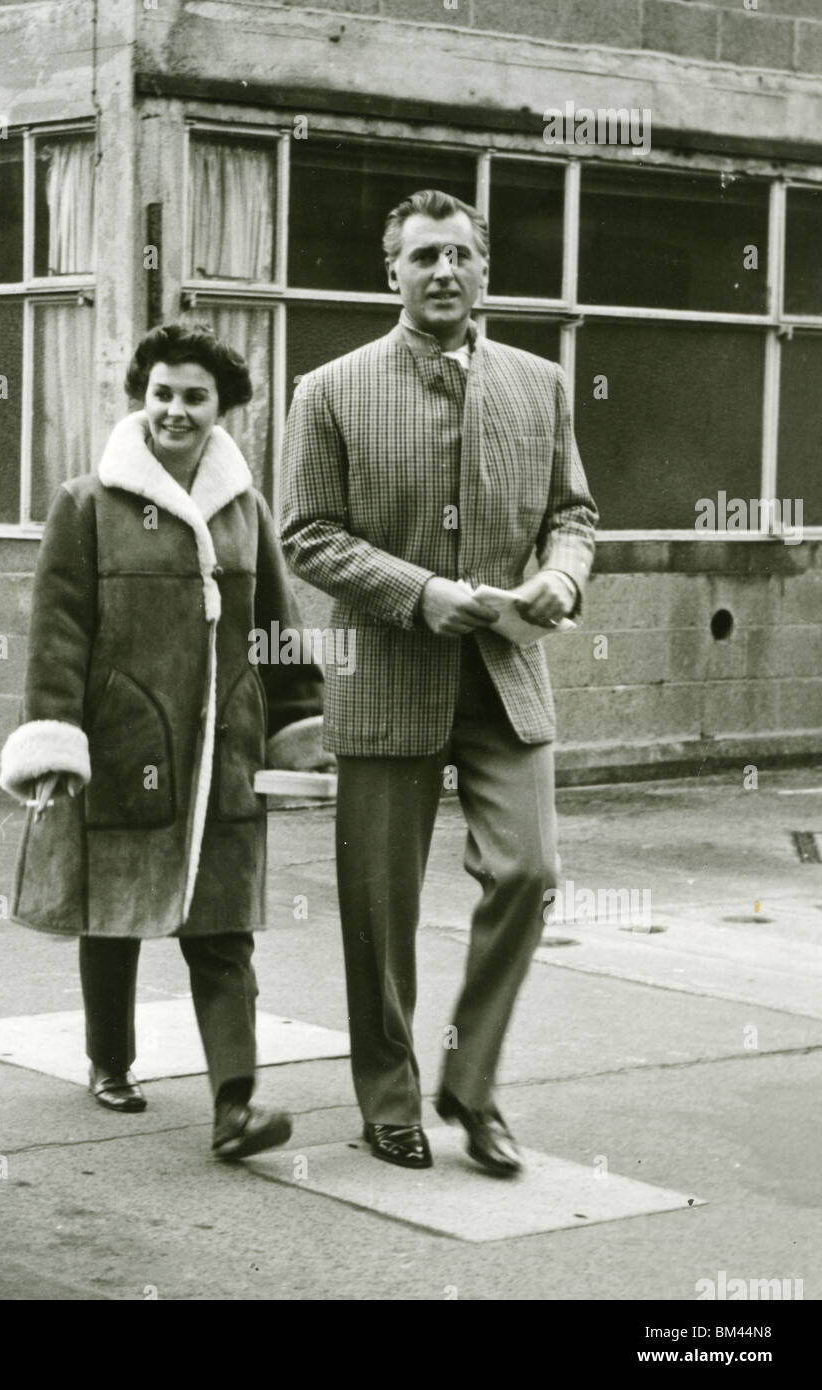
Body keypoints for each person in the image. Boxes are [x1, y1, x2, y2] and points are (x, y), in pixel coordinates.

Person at [281, 189, 597, 1175]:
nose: (443, 273)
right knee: (379, 909)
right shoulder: (327, 390)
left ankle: (469, 1082)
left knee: (527, 872)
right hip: (386, 674)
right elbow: (307, 536)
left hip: (504, 673)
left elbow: (573, 512)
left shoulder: (539, 385)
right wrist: (418, 594)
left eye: (460, 255)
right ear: (391, 273)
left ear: (484, 270)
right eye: (422, 257)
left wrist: (560, 574)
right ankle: (387, 1099)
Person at [0, 321, 322, 1160]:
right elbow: (59, 631)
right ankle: (111, 1060)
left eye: (196, 397)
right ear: (142, 400)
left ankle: (236, 1108)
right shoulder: (87, 504)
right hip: (123, 739)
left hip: (226, 752)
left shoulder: (246, 509)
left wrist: (297, 728)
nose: (177, 411)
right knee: (114, 913)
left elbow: (278, 631)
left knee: (223, 932)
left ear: (224, 410)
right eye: (163, 394)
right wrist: (57, 738)